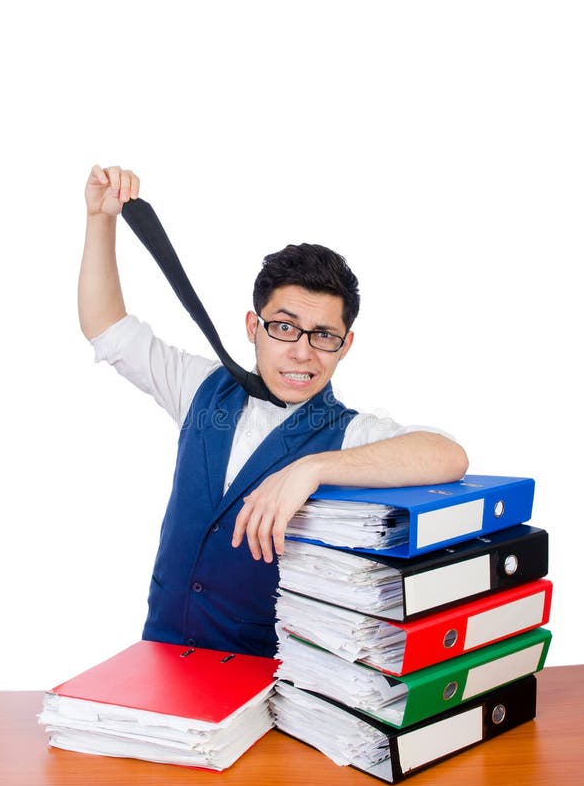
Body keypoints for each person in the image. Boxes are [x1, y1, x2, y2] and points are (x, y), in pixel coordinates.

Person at [79, 164, 469, 657]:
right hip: (162, 650)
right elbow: (106, 329)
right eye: (284, 327)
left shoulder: (350, 433)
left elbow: (447, 455)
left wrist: (314, 467)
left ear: (345, 345)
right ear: (252, 327)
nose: (303, 353)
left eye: (323, 335)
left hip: (271, 680)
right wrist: (100, 219)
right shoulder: (199, 386)